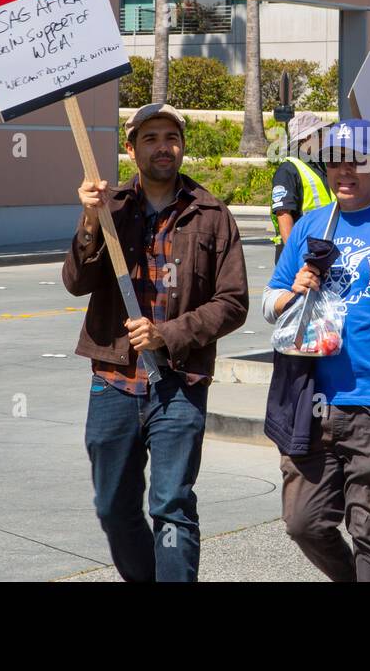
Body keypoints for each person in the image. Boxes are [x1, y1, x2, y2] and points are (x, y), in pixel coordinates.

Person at [63, 102, 249, 582]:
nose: (163, 146)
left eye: (171, 137)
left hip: (179, 382)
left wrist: (167, 334)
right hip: (113, 381)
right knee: (111, 505)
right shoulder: (111, 209)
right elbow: (76, 282)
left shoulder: (211, 214)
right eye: (150, 138)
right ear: (130, 148)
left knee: (171, 504)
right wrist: (88, 222)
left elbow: (232, 302)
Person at [262, 120, 370, 582]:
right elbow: (270, 301)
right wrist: (291, 293)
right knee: (303, 522)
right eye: (336, 161)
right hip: (311, 400)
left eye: (358, 162)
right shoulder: (310, 224)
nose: (345, 172)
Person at [270, 112, 333, 261]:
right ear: (306, 138)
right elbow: (284, 215)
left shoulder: (320, 165)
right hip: (302, 252)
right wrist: (295, 256)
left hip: (322, 248)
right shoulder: (288, 169)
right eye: (320, 133)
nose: (325, 137)